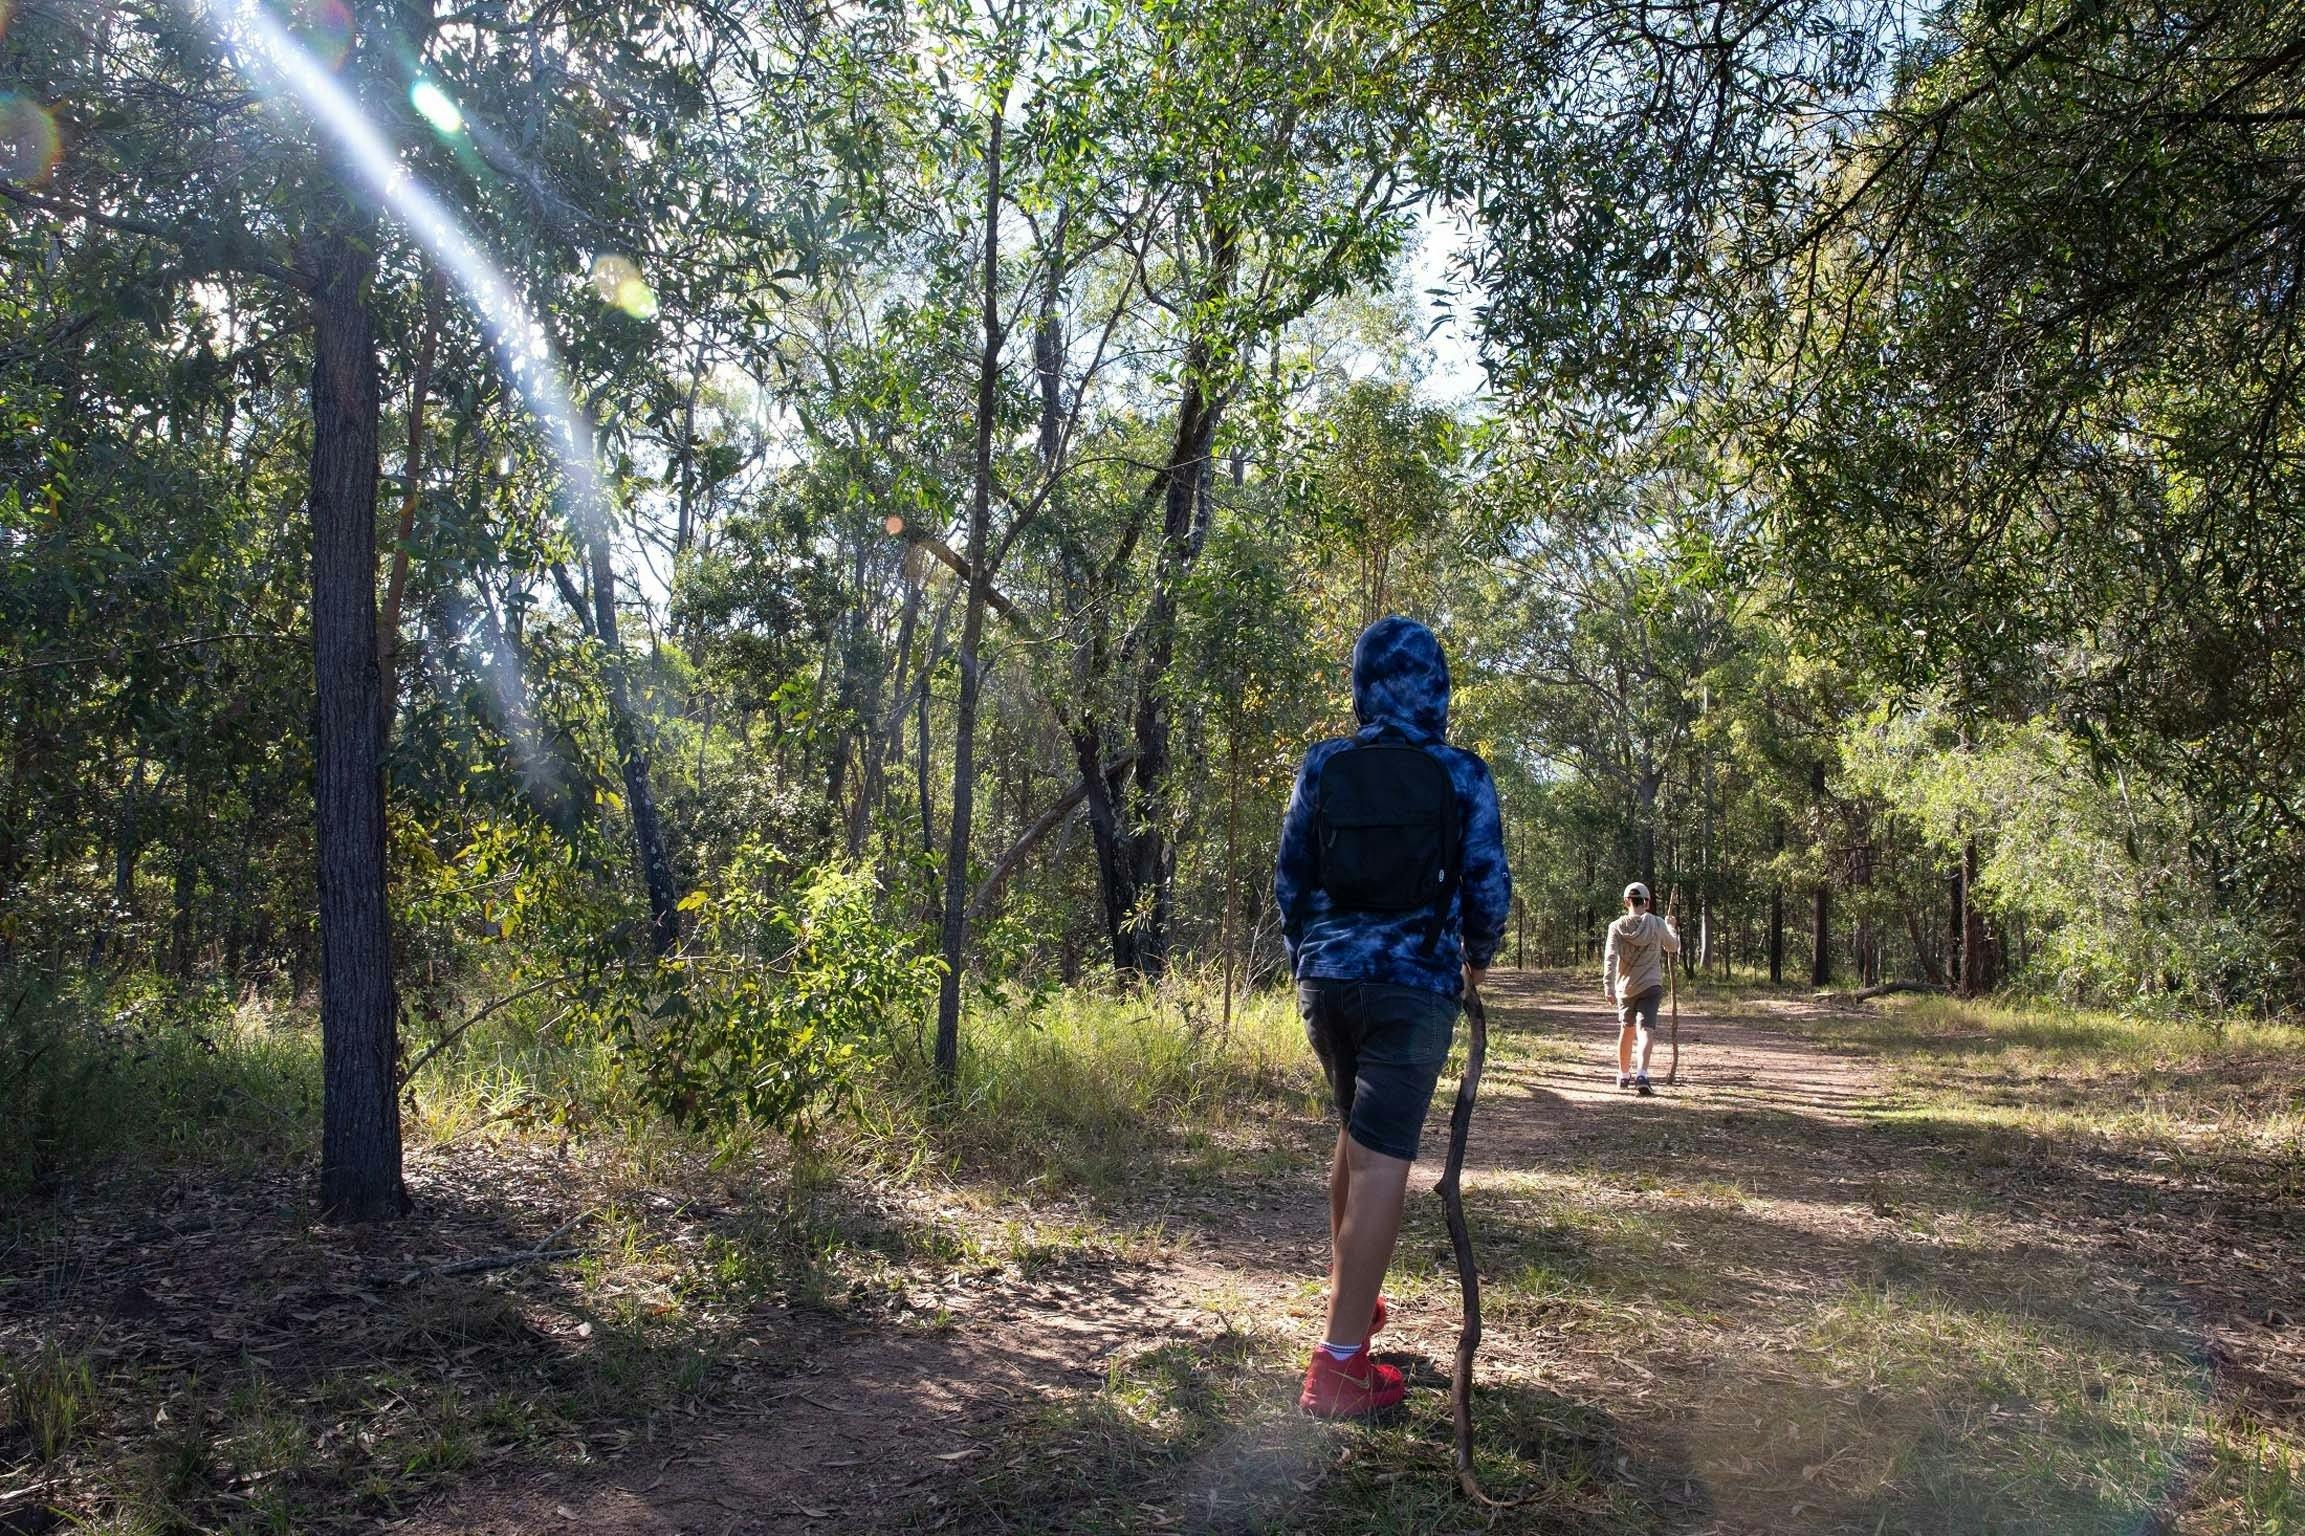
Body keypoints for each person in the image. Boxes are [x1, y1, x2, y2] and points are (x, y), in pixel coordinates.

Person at [1274, 616, 1512, 1419]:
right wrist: (1476, 953)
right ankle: (1339, 1367)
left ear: (1363, 682)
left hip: (1327, 981)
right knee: (1382, 1160)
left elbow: (1290, 876)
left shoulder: (1325, 763)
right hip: (1411, 984)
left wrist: (1309, 954)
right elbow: (1487, 883)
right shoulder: (1459, 773)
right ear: (1438, 686)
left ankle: (1353, 1302)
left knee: (1356, 1135)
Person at [1603, 881, 1680, 1096]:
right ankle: (1642, 1074)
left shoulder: (1616, 927)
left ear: (1626, 901)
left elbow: (1610, 958)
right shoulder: (1656, 923)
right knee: (1646, 1029)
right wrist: (1671, 926)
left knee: (1626, 1029)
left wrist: (1608, 986)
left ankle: (1623, 1074)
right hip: (1651, 984)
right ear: (1646, 902)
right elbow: (1672, 946)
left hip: (1625, 987)